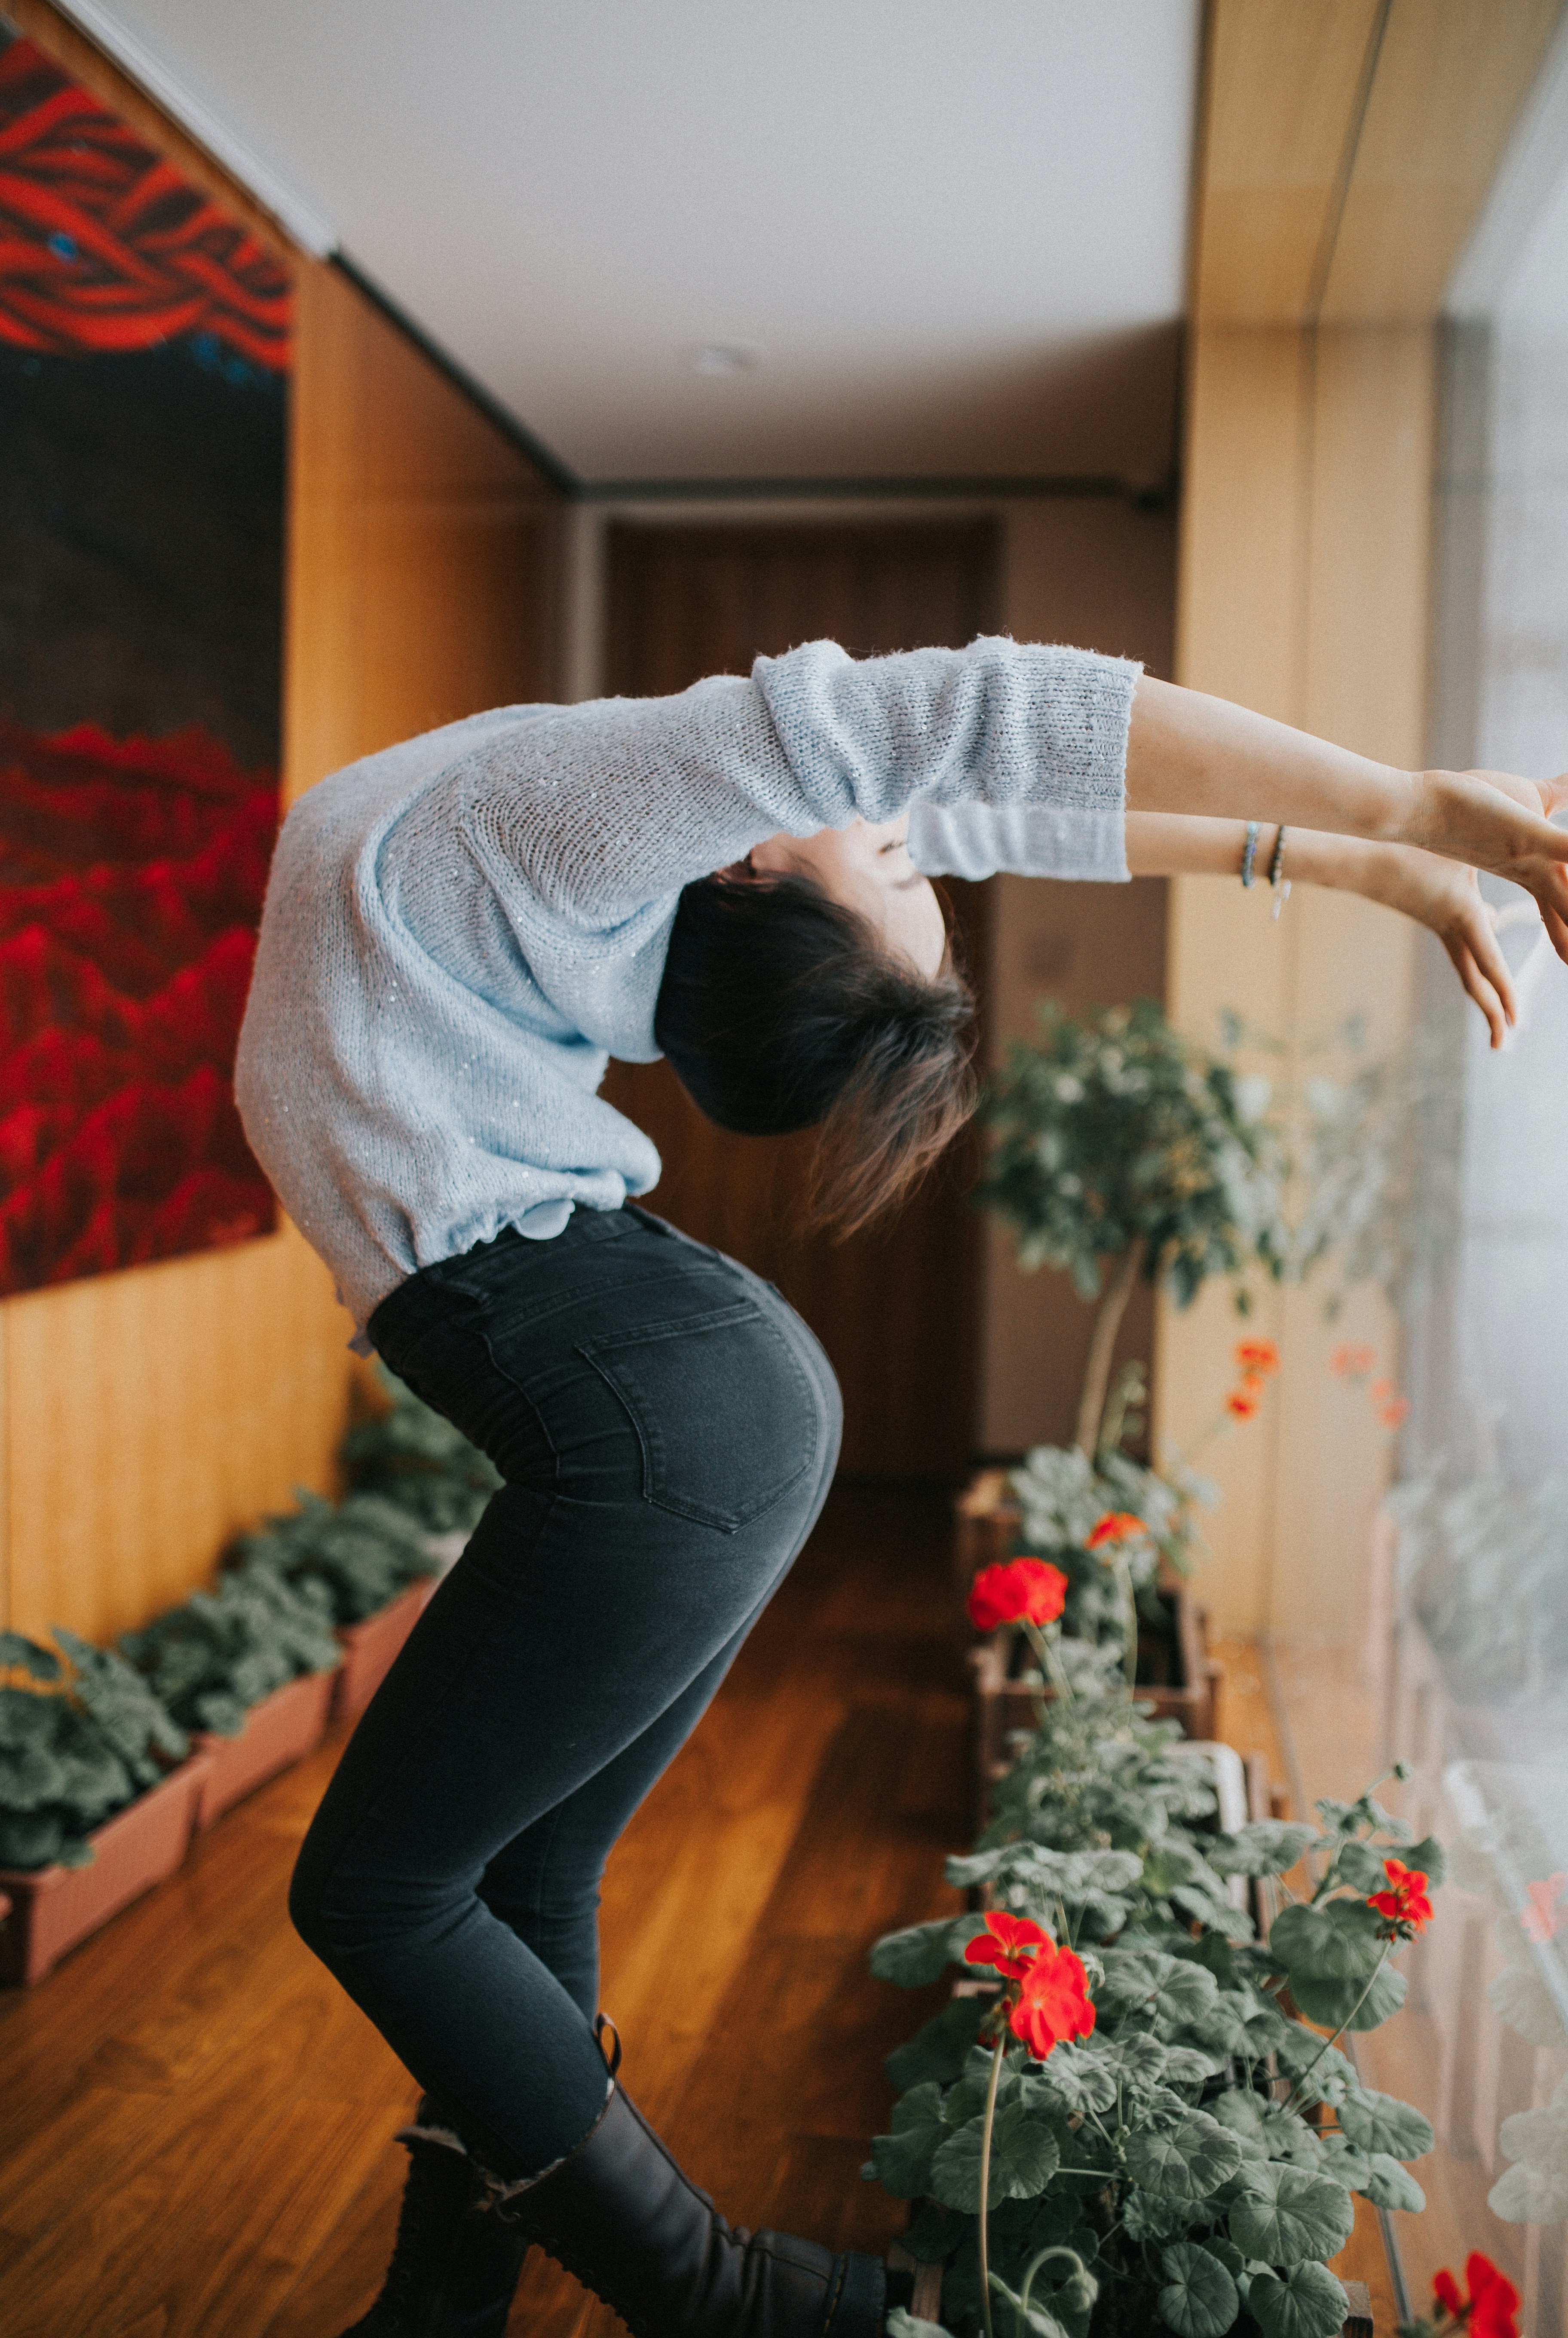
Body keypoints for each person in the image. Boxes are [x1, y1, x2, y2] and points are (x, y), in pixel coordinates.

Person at [235, 636, 1568, 2338]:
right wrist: (1383, 849)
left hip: (662, 1402)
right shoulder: (602, 864)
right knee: (514, 1884)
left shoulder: (594, 841)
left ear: (753, 850)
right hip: (685, 1394)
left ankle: (733, 2306)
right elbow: (990, 786)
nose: (911, 829)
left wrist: (1401, 819)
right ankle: (440, 2317)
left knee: (375, 1890)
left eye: (883, 851)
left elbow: (985, 738)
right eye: (901, 855)